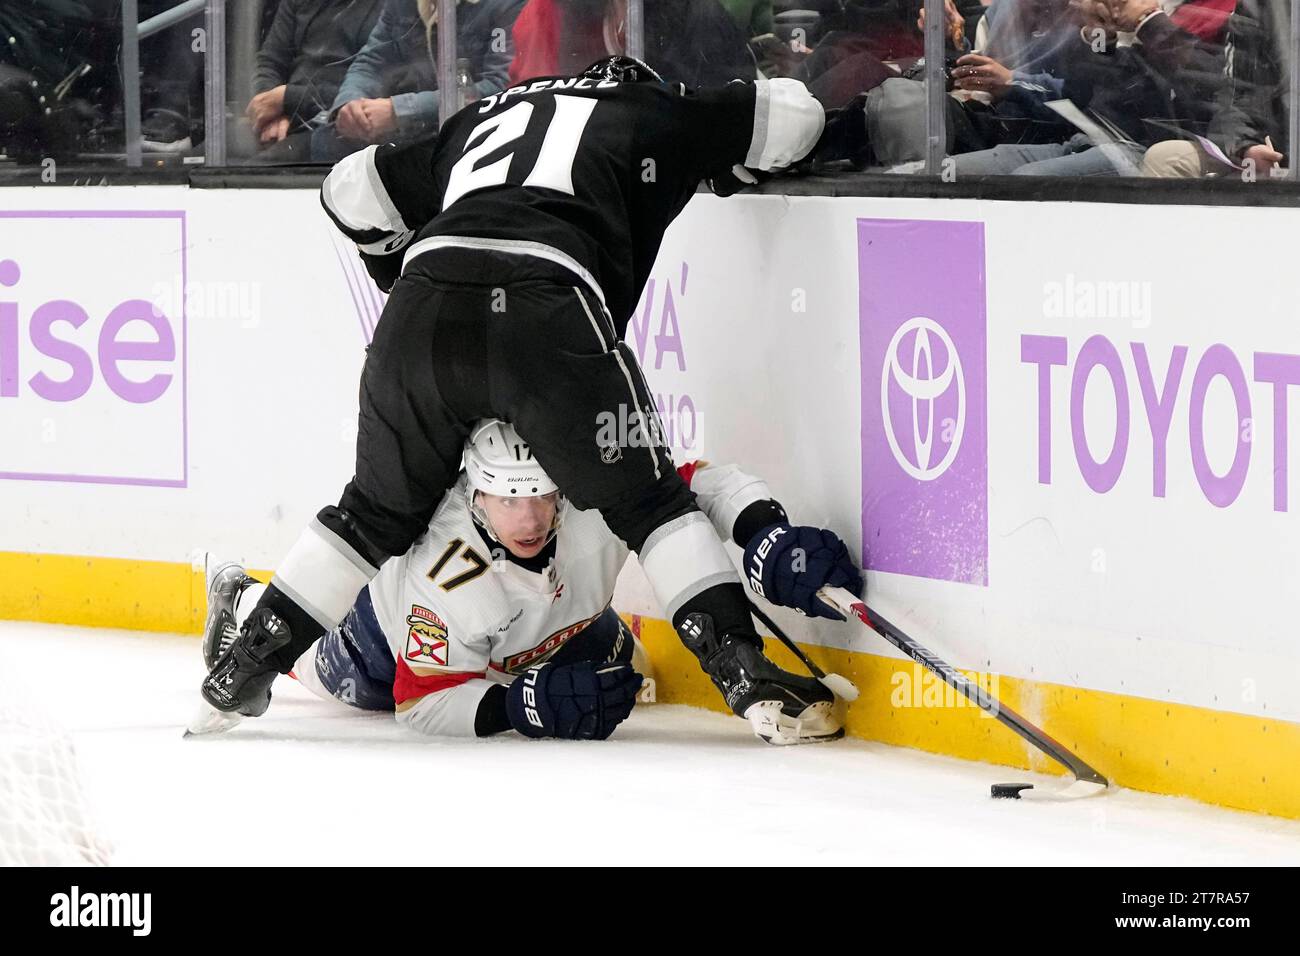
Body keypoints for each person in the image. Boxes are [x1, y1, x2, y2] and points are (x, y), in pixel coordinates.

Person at [192, 56, 865, 746]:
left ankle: (243, 668)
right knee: (649, 504)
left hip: (422, 307)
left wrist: (396, 264)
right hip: (549, 307)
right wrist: (724, 158)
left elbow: (346, 189)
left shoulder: (478, 117)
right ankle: (745, 675)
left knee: (370, 514)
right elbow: (795, 115)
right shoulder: (655, 109)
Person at [204, 421, 847, 742]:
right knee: (349, 680)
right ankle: (241, 607)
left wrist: (767, 533)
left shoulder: (595, 496)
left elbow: (705, 484)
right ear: (473, 493)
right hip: (384, 641)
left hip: (546, 629)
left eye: (541, 495)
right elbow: (420, 702)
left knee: (620, 662)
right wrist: (519, 707)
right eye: (508, 500)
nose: (531, 517)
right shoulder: (442, 576)